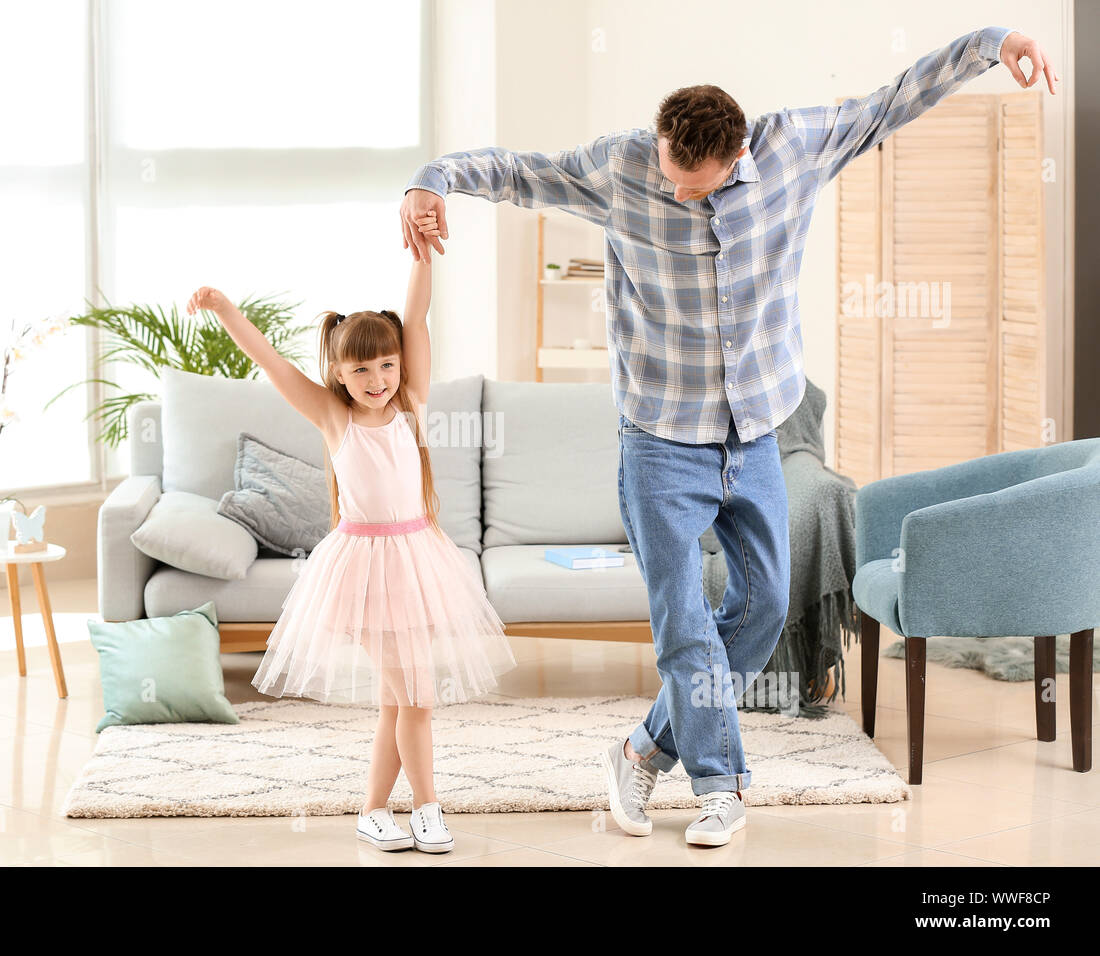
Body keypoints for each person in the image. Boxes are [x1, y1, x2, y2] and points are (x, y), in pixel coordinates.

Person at [401, 26, 1059, 846]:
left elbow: (894, 100)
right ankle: (720, 786)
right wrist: (432, 180)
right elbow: (516, 172)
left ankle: (644, 749)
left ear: (739, 153)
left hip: (754, 439)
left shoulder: (796, 149)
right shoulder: (625, 168)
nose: (678, 196)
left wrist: (991, 45)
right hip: (657, 440)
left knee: (762, 611)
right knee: (683, 623)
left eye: (695, 186)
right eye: (672, 179)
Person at [186, 251, 516, 854]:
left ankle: (374, 812)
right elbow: (272, 362)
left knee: (402, 697)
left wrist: (422, 252)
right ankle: (427, 808)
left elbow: (417, 313)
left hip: (417, 559)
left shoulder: (412, 403)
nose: (377, 379)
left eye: (386, 364)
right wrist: (225, 308)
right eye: (361, 369)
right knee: (414, 694)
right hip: (363, 570)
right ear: (339, 373)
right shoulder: (333, 416)